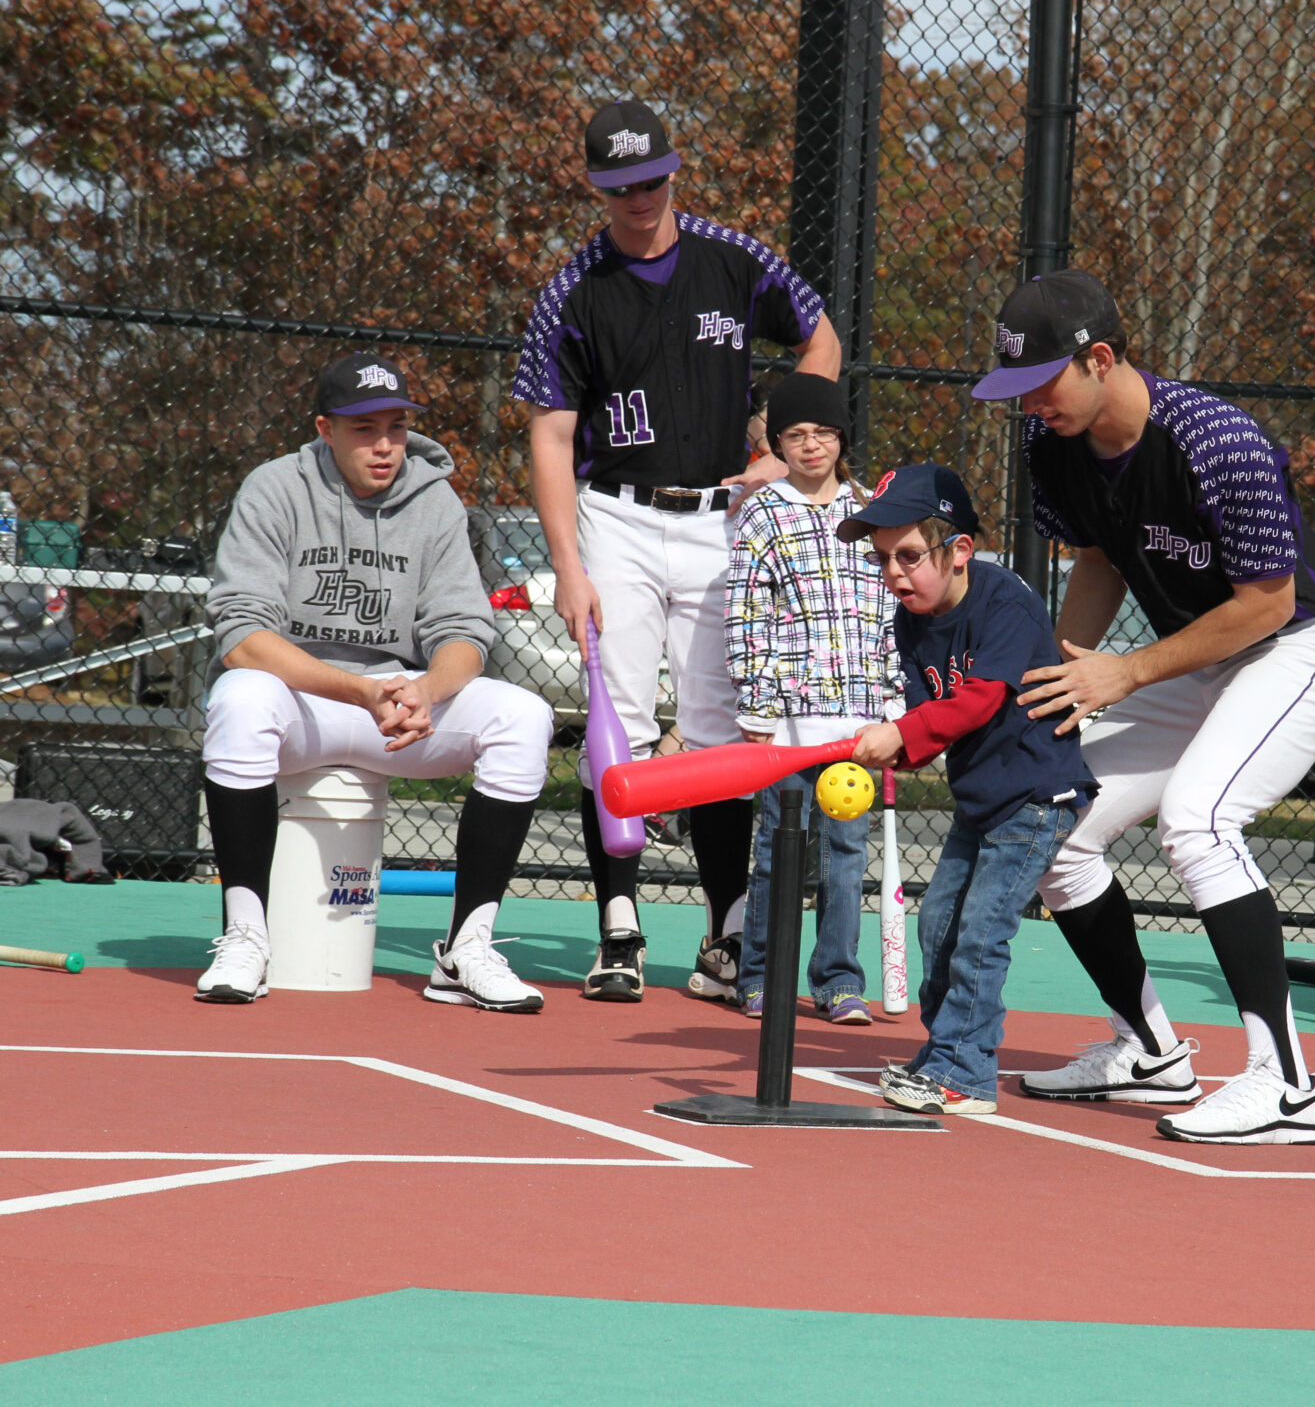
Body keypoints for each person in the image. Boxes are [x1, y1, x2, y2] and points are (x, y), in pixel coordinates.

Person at [974, 269, 1315, 1146]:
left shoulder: (1214, 439)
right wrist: (1063, 682)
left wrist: (1124, 675)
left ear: (1101, 359)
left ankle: (1286, 1087)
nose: (1027, 405)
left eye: (1039, 383)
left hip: (1302, 646)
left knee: (1198, 822)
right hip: (1196, 660)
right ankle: (1152, 1047)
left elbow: (1268, 602)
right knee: (1056, 819)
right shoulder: (1054, 446)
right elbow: (1097, 560)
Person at [512, 99, 841, 1003]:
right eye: (620, 187)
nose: (640, 199)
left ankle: (727, 933)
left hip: (718, 517)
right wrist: (568, 567)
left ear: (675, 170)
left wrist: (779, 454)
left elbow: (820, 336)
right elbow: (549, 434)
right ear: (596, 186)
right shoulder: (574, 288)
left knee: (718, 722)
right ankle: (618, 928)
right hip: (615, 516)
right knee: (616, 718)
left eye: (653, 179)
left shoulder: (734, 260)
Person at [198, 352, 554, 1010]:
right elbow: (244, 639)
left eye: (395, 426)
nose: (385, 444)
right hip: (303, 704)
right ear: (325, 428)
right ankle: (246, 934)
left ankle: (466, 949)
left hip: (396, 709)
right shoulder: (275, 488)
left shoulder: (434, 500)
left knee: (522, 715)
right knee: (240, 698)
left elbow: (464, 633)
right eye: (364, 429)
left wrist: (427, 690)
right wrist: (360, 690)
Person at [838, 464, 1096, 1115]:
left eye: (909, 556)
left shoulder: (1003, 600)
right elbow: (936, 723)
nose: (895, 573)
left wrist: (901, 732)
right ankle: (946, 1050)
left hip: (1039, 795)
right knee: (942, 928)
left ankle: (966, 1073)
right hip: (983, 796)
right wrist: (900, 749)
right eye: (882, 559)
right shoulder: (912, 621)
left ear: (958, 551)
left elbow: (979, 701)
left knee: (982, 931)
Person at [725, 373, 900, 1022]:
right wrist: (756, 703)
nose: (810, 445)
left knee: (845, 855)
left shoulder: (868, 511)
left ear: (841, 437)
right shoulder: (762, 514)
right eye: (795, 435)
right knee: (777, 850)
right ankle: (761, 976)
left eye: (822, 432)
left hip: (854, 719)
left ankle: (838, 981)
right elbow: (747, 614)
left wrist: (893, 699)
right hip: (788, 723)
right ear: (779, 443)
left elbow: (891, 610)